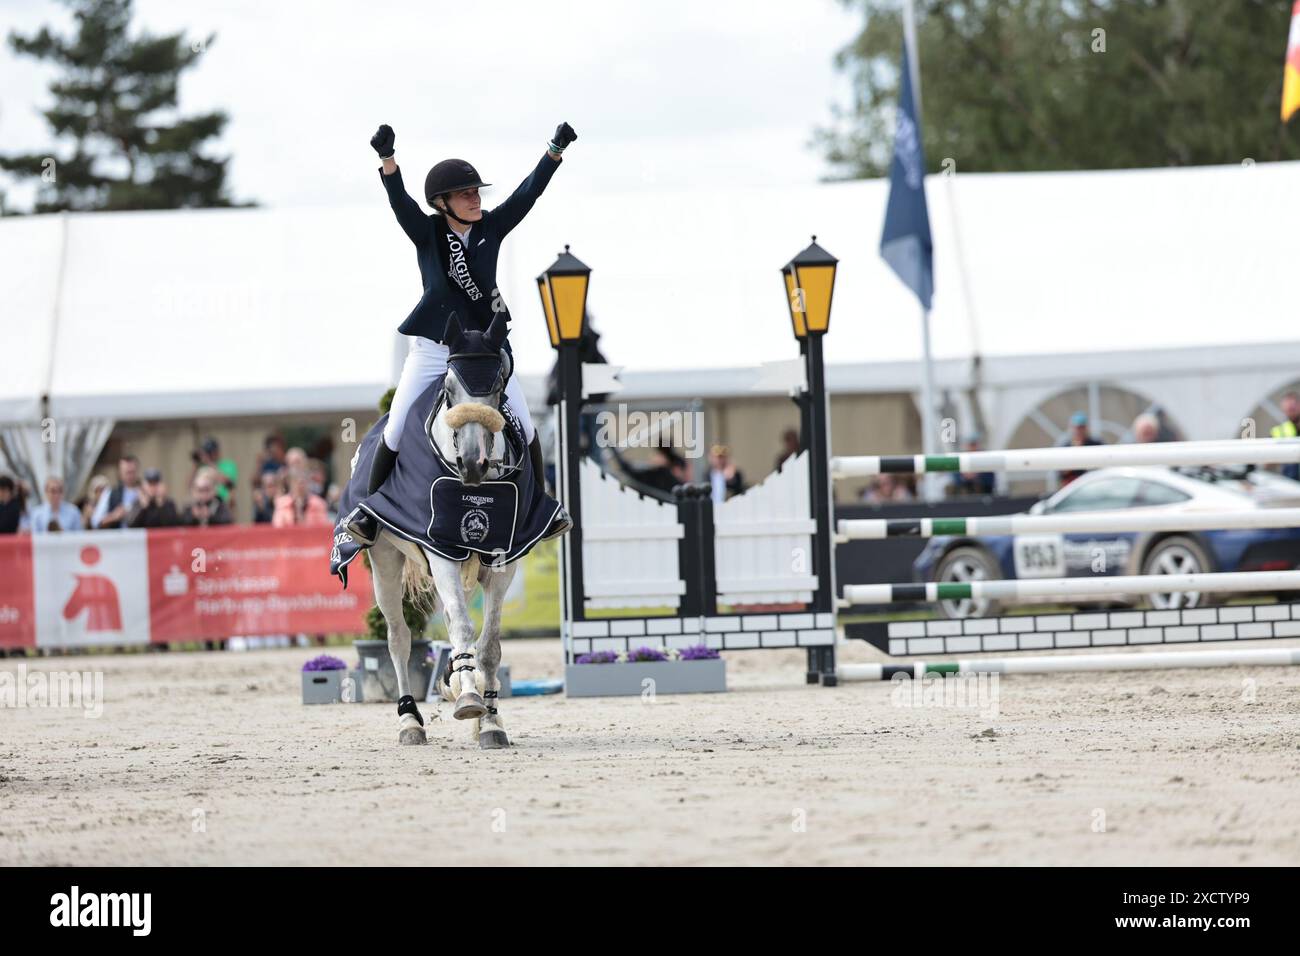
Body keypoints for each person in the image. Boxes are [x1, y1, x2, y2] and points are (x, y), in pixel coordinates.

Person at [346, 120, 578, 547]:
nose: (475, 199)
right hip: (435, 350)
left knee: (526, 427)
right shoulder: (428, 232)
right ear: (443, 203)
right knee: (396, 426)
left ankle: (540, 509)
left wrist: (554, 152)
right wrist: (388, 161)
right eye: (465, 194)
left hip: (483, 353)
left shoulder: (492, 227)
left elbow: (527, 194)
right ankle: (369, 512)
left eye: (476, 192)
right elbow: (400, 203)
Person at [91, 454, 144, 529]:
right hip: (118, 535)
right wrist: (114, 516)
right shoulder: (110, 493)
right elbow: (95, 522)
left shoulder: (145, 492)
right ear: (120, 472)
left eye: (132, 472)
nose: (130, 476)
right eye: (127, 472)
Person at [1058, 411, 1102, 485]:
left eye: (1081, 427)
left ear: (1086, 428)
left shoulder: (1095, 444)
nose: (1079, 430)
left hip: (1094, 483)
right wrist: (1075, 451)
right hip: (1074, 485)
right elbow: (1062, 473)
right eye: (1077, 427)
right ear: (1072, 428)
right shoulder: (1066, 446)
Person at [1271, 391, 1300, 480]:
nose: (1291, 411)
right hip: (1290, 480)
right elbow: (1267, 458)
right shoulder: (1279, 431)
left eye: (1293, 408)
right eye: (1288, 409)